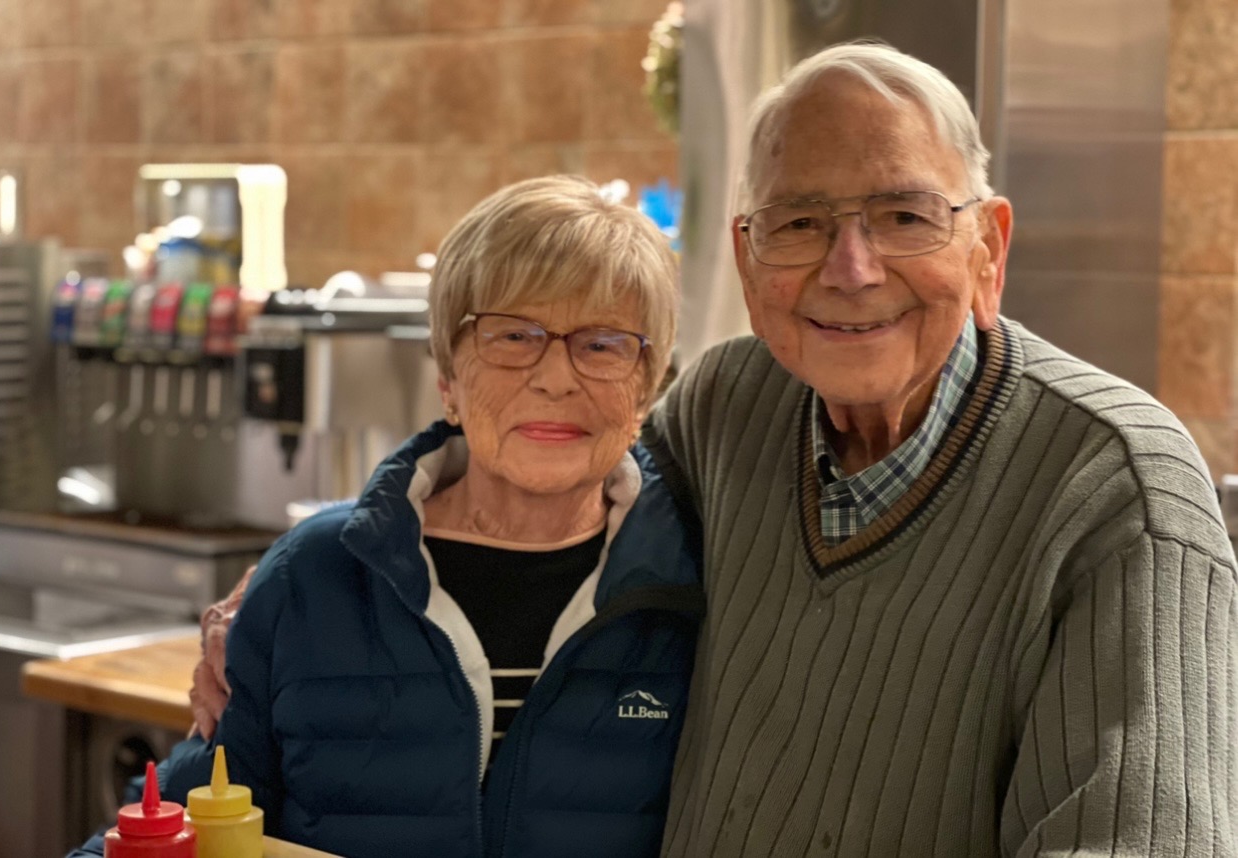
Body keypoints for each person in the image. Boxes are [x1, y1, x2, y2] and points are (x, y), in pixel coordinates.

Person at [193, 43, 1238, 856]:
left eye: (905, 215)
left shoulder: (1120, 491)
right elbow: (539, 469)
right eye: (799, 223)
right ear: (746, 256)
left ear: (990, 246)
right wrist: (305, 586)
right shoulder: (730, 408)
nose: (852, 267)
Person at [68, 174, 702, 858]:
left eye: (603, 344)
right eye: (513, 336)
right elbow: (188, 818)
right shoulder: (315, 573)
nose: (555, 378)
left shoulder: (697, 590)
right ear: (448, 380)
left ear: (648, 384)